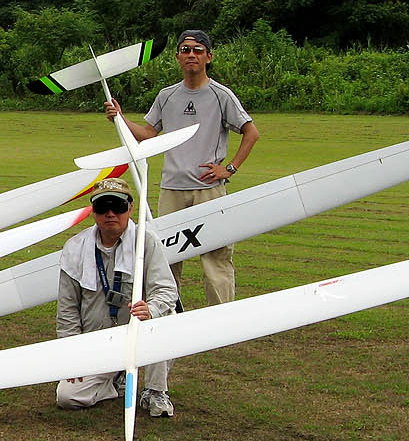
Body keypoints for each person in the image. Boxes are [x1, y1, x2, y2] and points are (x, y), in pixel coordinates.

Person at [105, 29, 259, 309]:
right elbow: (149, 133)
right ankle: (166, 315)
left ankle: (221, 319)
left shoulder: (220, 95)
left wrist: (230, 168)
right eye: (185, 50)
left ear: (208, 57)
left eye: (198, 50)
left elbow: (251, 132)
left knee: (216, 258)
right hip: (172, 190)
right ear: (177, 56)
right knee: (166, 258)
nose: (191, 55)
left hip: (208, 190)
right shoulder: (167, 96)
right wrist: (120, 118)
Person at [55, 178, 180, 415]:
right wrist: (71, 354)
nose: (110, 213)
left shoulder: (146, 241)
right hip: (97, 342)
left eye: (118, 206)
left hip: (137, 333)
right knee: (67, 397)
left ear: (130, 208)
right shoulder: (74, 248)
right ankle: (114, 381)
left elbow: (166, 290)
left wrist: (150, 309)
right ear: (94, 211)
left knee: (165, 315)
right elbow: (67, 309)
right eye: (103, 207)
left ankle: (155, 391)